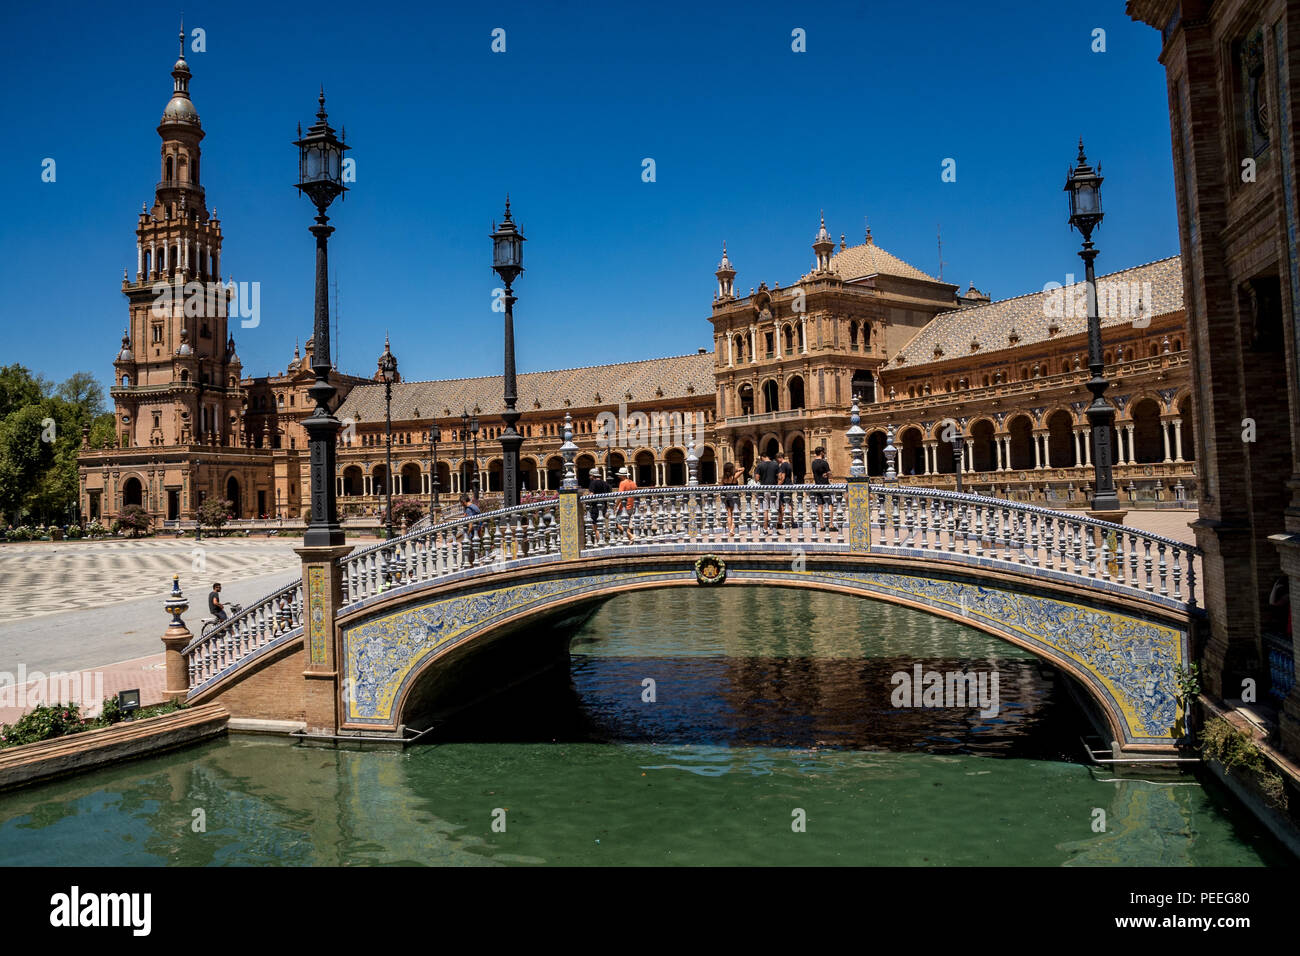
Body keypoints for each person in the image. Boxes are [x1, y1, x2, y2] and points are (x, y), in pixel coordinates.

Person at [755, 451, 780, 532]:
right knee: (774, 509)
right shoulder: (775, 464)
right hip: (774, 488)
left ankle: (765, 529)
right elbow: (780, 476)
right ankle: (774, 529)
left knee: (765, 510)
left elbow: (757, 478)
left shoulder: (760, 465)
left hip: (764, 489)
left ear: (762, 457)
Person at [811, 445, 832, 531]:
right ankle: (830, 524)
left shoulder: (813, 463)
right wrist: (827, 474)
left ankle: (822, 525)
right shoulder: (824, 463)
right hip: (825, 486)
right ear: (821, 453)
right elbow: (830, 474)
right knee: (830, 504)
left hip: (817, 485)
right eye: (824, 452)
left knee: (820, 505)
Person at [615, 466, 638, 542]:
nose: (618, 476)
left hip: (623, 507)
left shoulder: (622, 483)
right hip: (631, 506)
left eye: (619, 475)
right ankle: (631, 539)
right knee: (626, 524)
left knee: (618, 524)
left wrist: (615, 506)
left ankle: (631, 535)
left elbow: (620, 496)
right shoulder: (633, 483)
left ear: (622, 475)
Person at [720, 460, 741, 535]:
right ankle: (732, 529)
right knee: (736, 513)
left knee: (729, 514)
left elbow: (721, 488)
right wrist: (736, 470)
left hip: (727, 497)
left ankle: (730, 530)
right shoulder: (734, 477)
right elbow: (743, 469)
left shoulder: (723, 478)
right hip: (734, 497)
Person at [776, 452, 794, 530]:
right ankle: (790, 521)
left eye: (777, 460)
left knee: (782, 505)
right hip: (789, 485)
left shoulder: (783, 465)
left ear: (779, 458)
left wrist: (777, 486)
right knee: (789, 504)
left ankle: (782, 522)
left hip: (784, 487)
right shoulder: (789, 464)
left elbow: (782, 477)